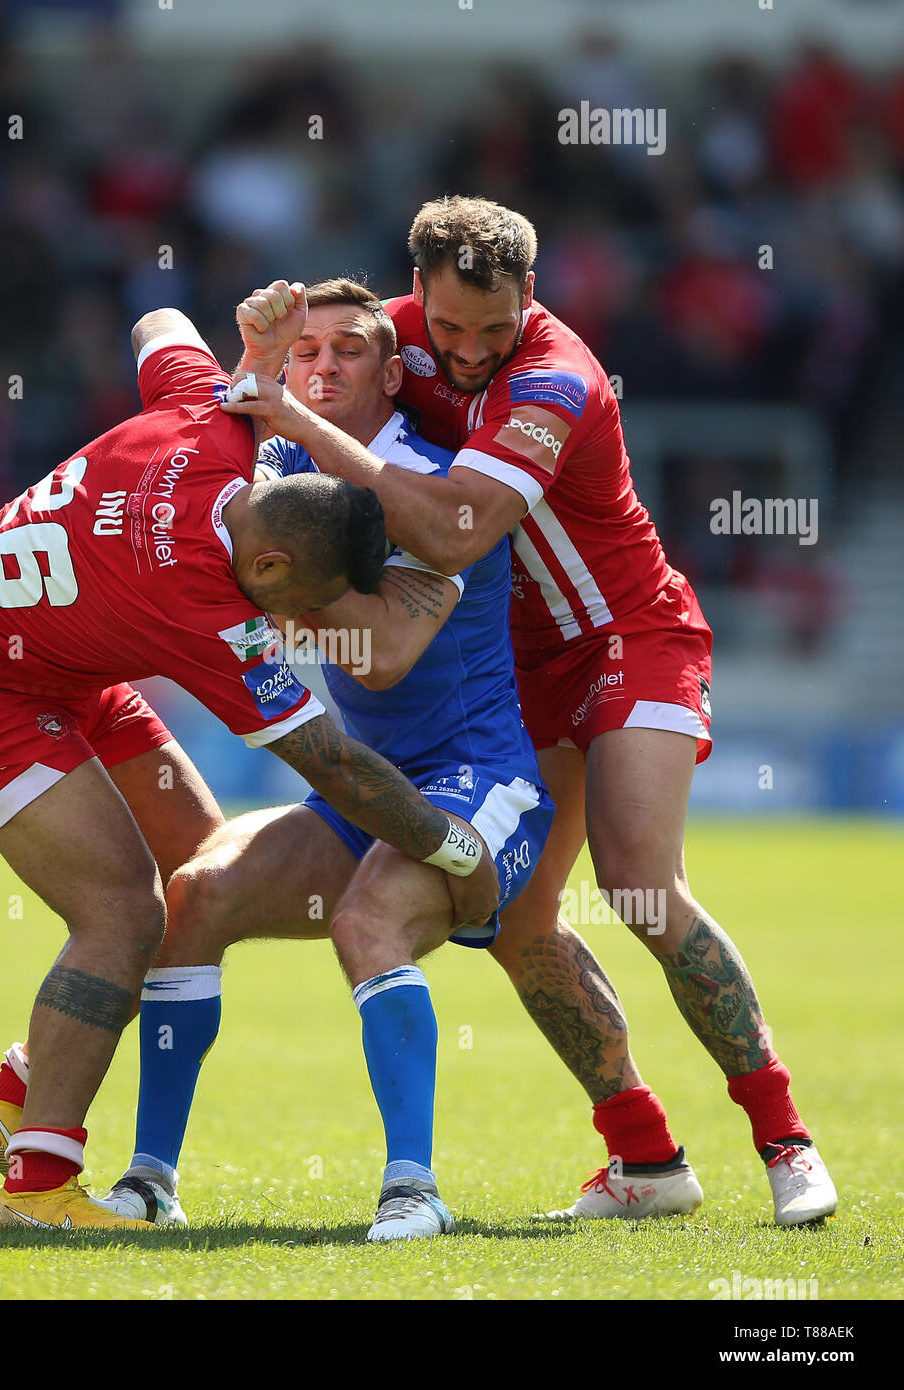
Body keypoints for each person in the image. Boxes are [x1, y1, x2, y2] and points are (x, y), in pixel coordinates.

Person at [224, 200, 837, 1227]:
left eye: (492, 330)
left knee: (639, 883)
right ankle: (644, 1156)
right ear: (417, 296)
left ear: (530, 299)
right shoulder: (390, 335)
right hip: (522, 661)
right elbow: (281, 370)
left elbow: (458, 528)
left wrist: (301, 422)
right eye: (450, 329)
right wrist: (264, 343)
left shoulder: (556, 376)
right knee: (516, 915)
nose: (467, 353)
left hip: (625, 631)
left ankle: (784, 1138)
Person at [0, 304, 499, 1232]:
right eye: (306, 601)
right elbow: (334, 765)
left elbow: (157, 320)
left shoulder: (211, 414)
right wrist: (455, 853)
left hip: (57, 668)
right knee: (123, 912)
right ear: (275, 561)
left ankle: (18, 1090)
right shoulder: (210, 609)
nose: (299, 623)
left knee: (199, 880)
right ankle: (38, 1192)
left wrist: (253, 347)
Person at [93, 278, 558, 1241]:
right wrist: (251, 360)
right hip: (364, 798)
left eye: (348, 350)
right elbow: (175, 416)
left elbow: (384, 659)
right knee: (197, 891)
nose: (323, 365)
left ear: (392, 373)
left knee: (367, 918)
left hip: (479, 784)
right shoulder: (275, 460)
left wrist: (257, 581)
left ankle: (414, 1192)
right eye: (306, 353)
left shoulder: (428, 490)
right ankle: (150, 1182)